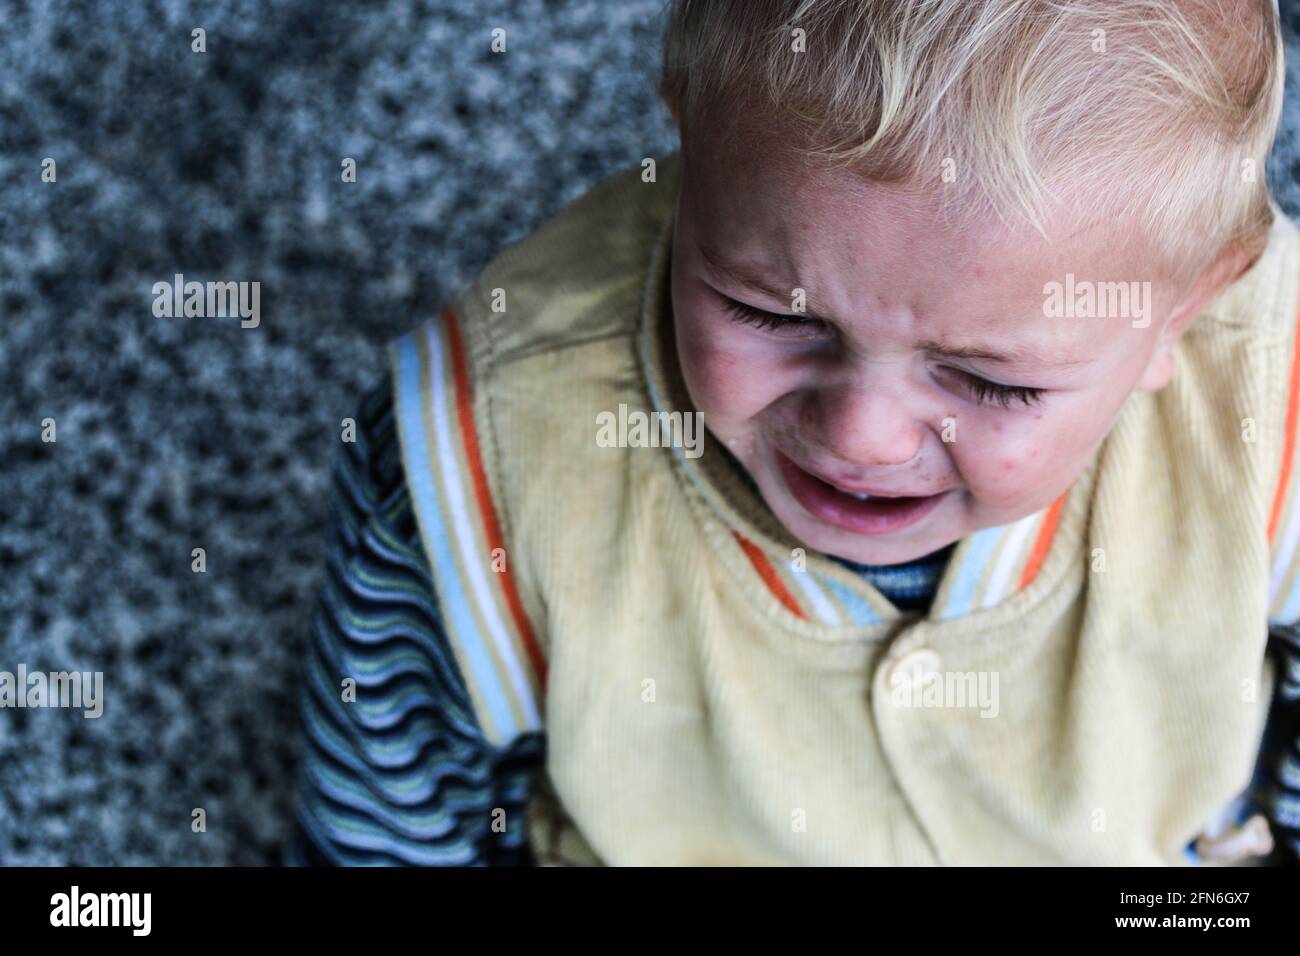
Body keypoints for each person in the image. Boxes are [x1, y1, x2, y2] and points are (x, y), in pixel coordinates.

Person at [292, 0, 1300, 865]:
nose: (860, 436)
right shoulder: (486, 453)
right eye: (774, 315)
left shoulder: (1272, 406)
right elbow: (389, 797)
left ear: (1189, 307)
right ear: (688, 127)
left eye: (989, 379)